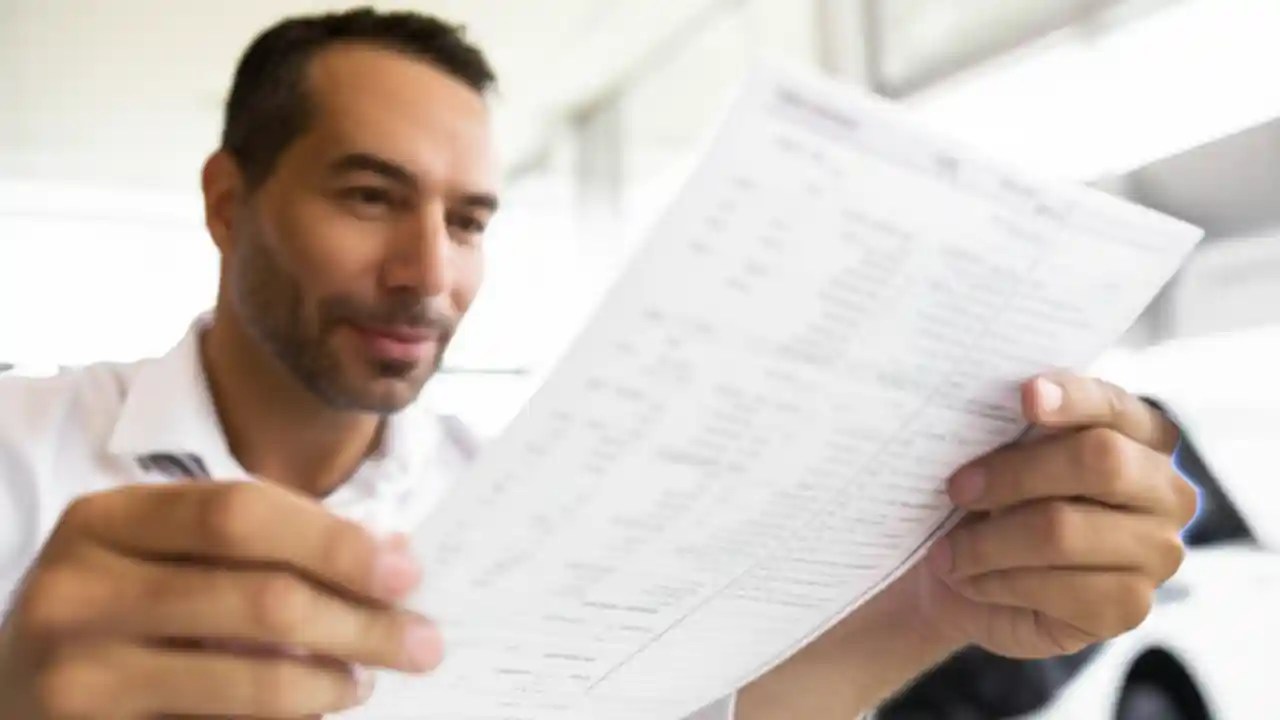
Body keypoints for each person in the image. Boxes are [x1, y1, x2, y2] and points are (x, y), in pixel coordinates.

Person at [0, 8, 1196, 719]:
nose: (429, 272)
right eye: (371, 197)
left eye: (468, 221)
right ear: (226, 200)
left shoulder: (521, 493)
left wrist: (947, 597)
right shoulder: (19, 450)